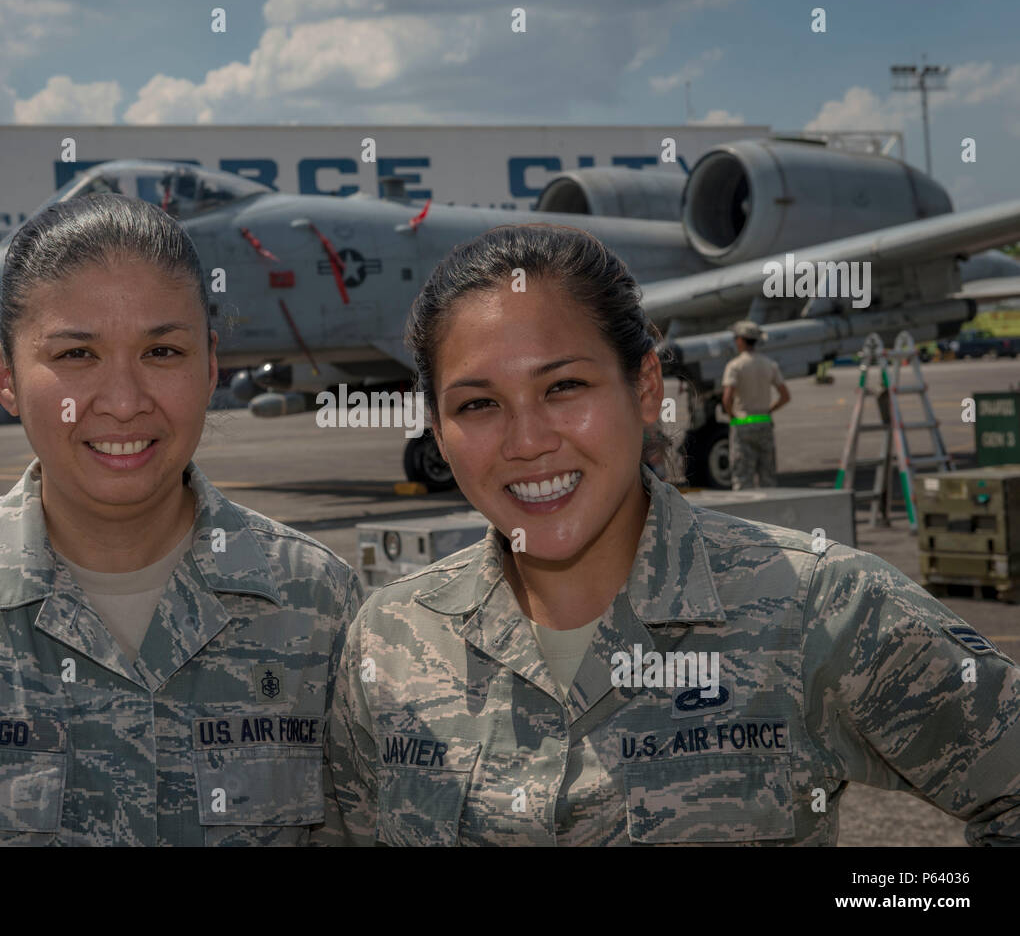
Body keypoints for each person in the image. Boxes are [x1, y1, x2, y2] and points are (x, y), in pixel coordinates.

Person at [325, 223, 1020, 846]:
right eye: (477, 404)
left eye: (564, 387)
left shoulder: (817, 608)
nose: (528, 441)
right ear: (439, 434)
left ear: (647, 386)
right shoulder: (388, 641)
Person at [0, 194, 363, 846]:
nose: (125, 402)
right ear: (6, 376)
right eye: (77, 355)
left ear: (212, 365)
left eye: (163, 352)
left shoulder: (319, 604)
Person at [721, 320, 790, 490]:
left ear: (741, 340)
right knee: (768, 478)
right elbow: (785, 396)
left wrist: (732, 417)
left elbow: (727, 398)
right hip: (764, 423)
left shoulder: (735, 366)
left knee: (742, 479)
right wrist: (768, 410)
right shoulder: (769, 364)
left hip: (743, 423)